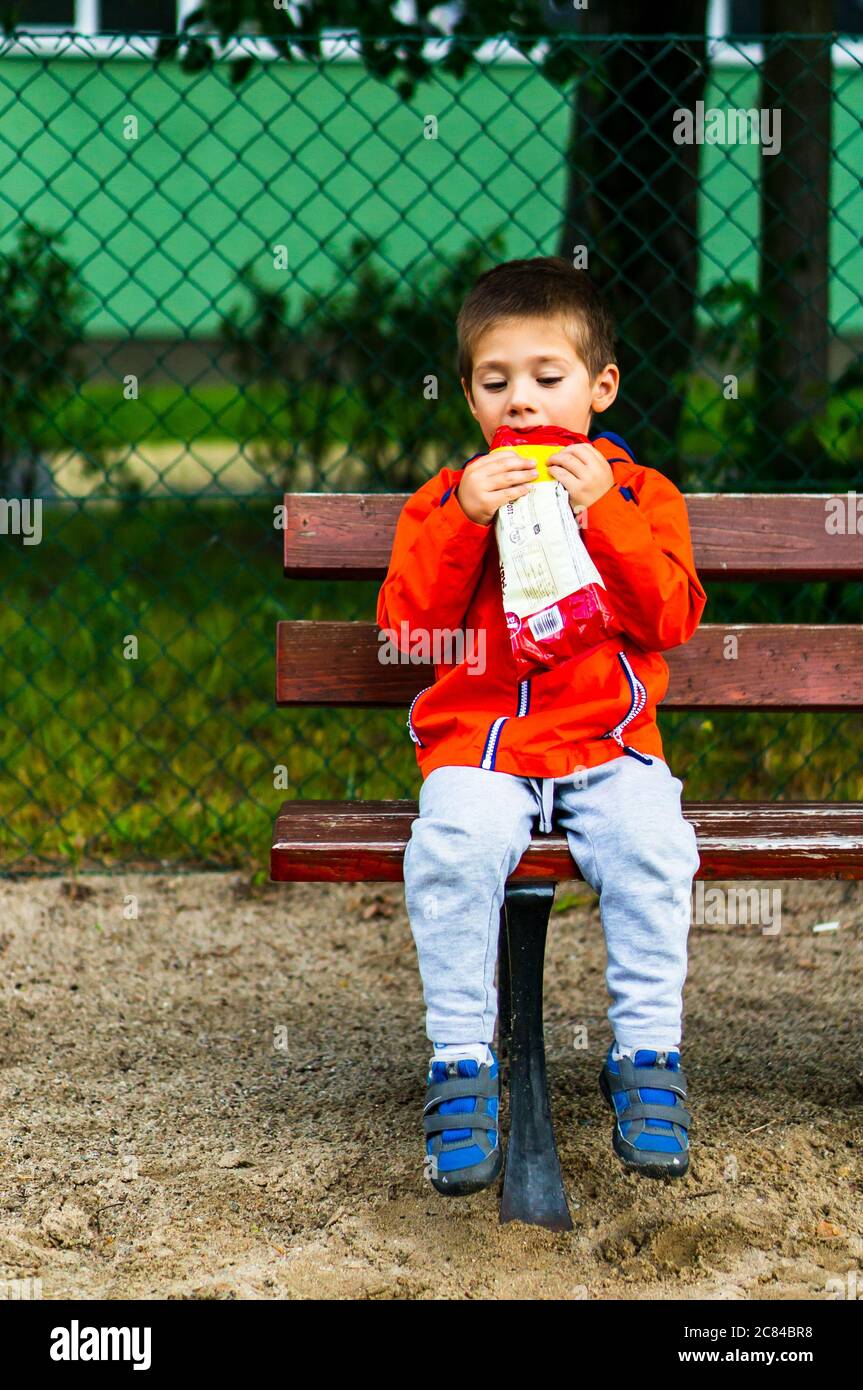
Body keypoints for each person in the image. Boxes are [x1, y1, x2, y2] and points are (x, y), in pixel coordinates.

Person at [375, 256, 706, 1196]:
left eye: (546, 378)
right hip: (483, 749)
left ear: (599, 387)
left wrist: (603, 515)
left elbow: (669, 618)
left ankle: (645, 1054)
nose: (521, 403)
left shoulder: (639, 496)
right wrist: (461, 526)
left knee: (654, 847)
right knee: (451, 850)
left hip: (609, 745)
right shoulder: (447, 501)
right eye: (495, 382)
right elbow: (409, 632)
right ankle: (460, 1064)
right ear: (471, 398)